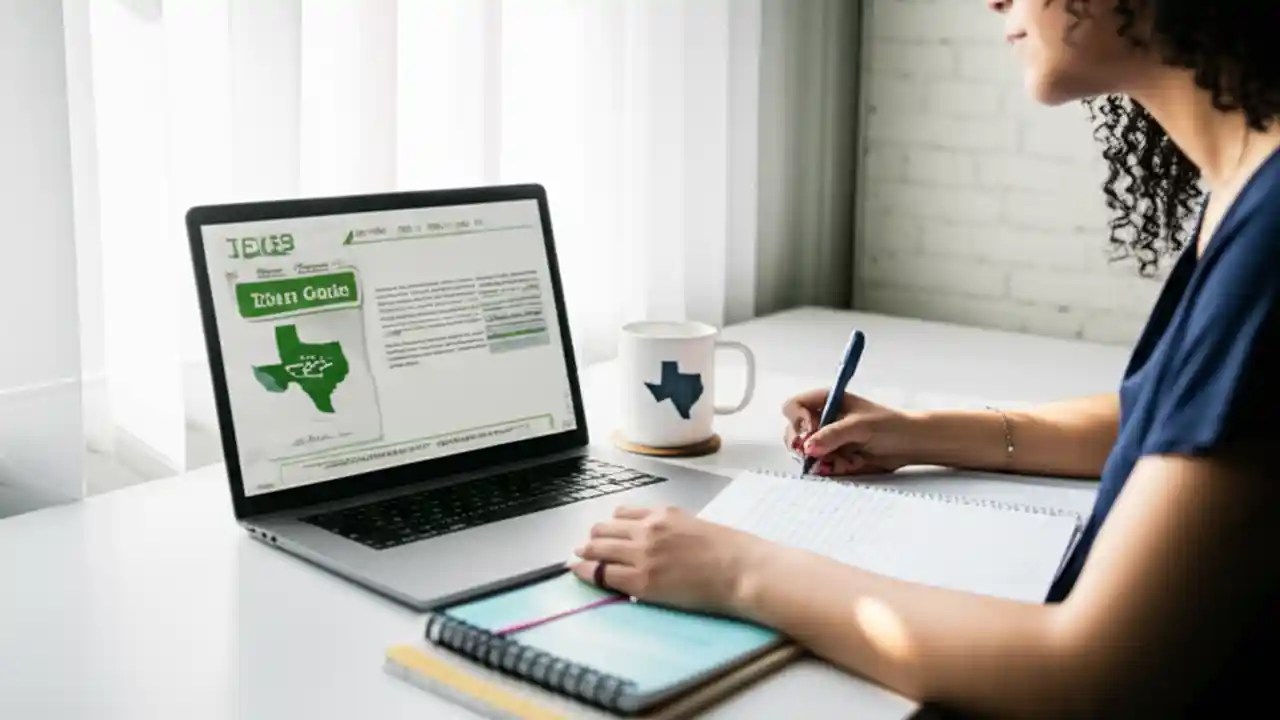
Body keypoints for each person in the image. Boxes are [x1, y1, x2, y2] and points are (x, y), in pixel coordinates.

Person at [570, 1, 1280, 717]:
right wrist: (920, 430)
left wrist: (738, 568)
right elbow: (1174, 416)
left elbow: (1090, 670)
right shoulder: (1249, 184)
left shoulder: (1270, 237)